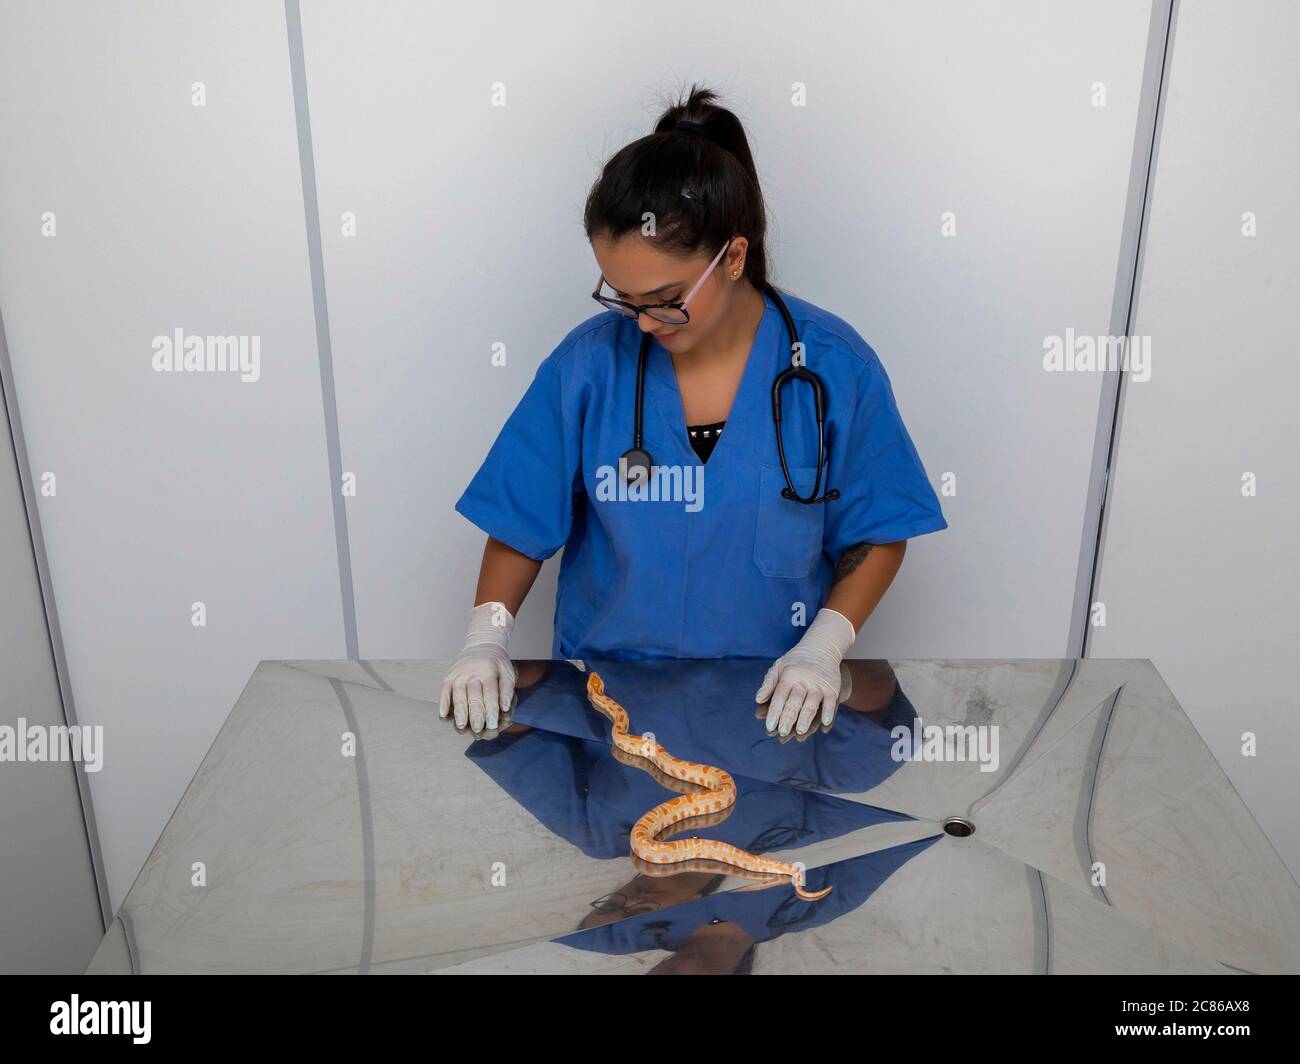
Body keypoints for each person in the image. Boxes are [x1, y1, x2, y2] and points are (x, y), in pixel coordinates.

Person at [442, 84, 947, 738]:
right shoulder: (588, 367)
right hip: (609, 710)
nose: (644, 323)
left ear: (733, 257)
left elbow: (879, 528)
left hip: (773, 708)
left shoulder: (833, 368)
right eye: (621, 297)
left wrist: (822, 648)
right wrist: (486, 638)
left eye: (665, 298)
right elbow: (518, 516)